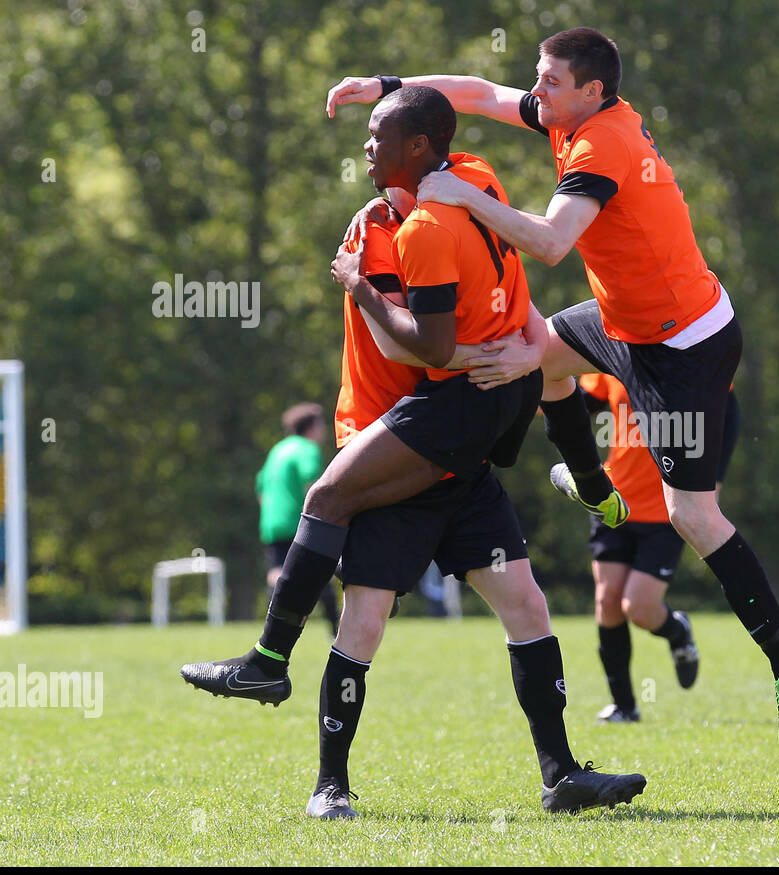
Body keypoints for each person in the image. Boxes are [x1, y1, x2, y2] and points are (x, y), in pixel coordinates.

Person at [326, 27, 779, 756]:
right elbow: (479, 93)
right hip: (628, 322)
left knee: (693, 516)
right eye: (540, 78)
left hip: (682, 345)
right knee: (536, 356)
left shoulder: (600, 146)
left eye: (551, 82)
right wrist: (386, 86)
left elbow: (553, 243)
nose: (536, 92)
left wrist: (462, 196)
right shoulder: (567, 114)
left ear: (593, 92)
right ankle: (594, 486)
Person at [182, 86, 645, 815]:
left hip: (439, 435)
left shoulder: (430, 217)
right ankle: (328, 784)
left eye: (379, 136)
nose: (366, 147)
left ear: (422, 151)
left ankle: (560, 776)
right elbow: (435, 340)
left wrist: (501, 349)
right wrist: (508, 351)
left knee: (526, 606)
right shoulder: (414, 209)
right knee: (364, 620)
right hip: (398, 437)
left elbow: (429, 341)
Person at [578, 374, 740, 722]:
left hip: (667, 507)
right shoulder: (608, 351)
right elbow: (577, 406)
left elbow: (729, 411)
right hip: (614, 501)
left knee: (638, 607)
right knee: (607, 602)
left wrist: (714, 482)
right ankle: (625, 706)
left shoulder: (678, 350)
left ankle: (677, 630)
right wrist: (530, 379)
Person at [256, 403, 340, 638]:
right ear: (313, 427)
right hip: (299, 521)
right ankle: (335, 630)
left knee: (277, 573)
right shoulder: (307, 449)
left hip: (271, 522)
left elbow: (260, 487)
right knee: (320, 572)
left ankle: (271, 630)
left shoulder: (277, 450)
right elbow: (313, 485)